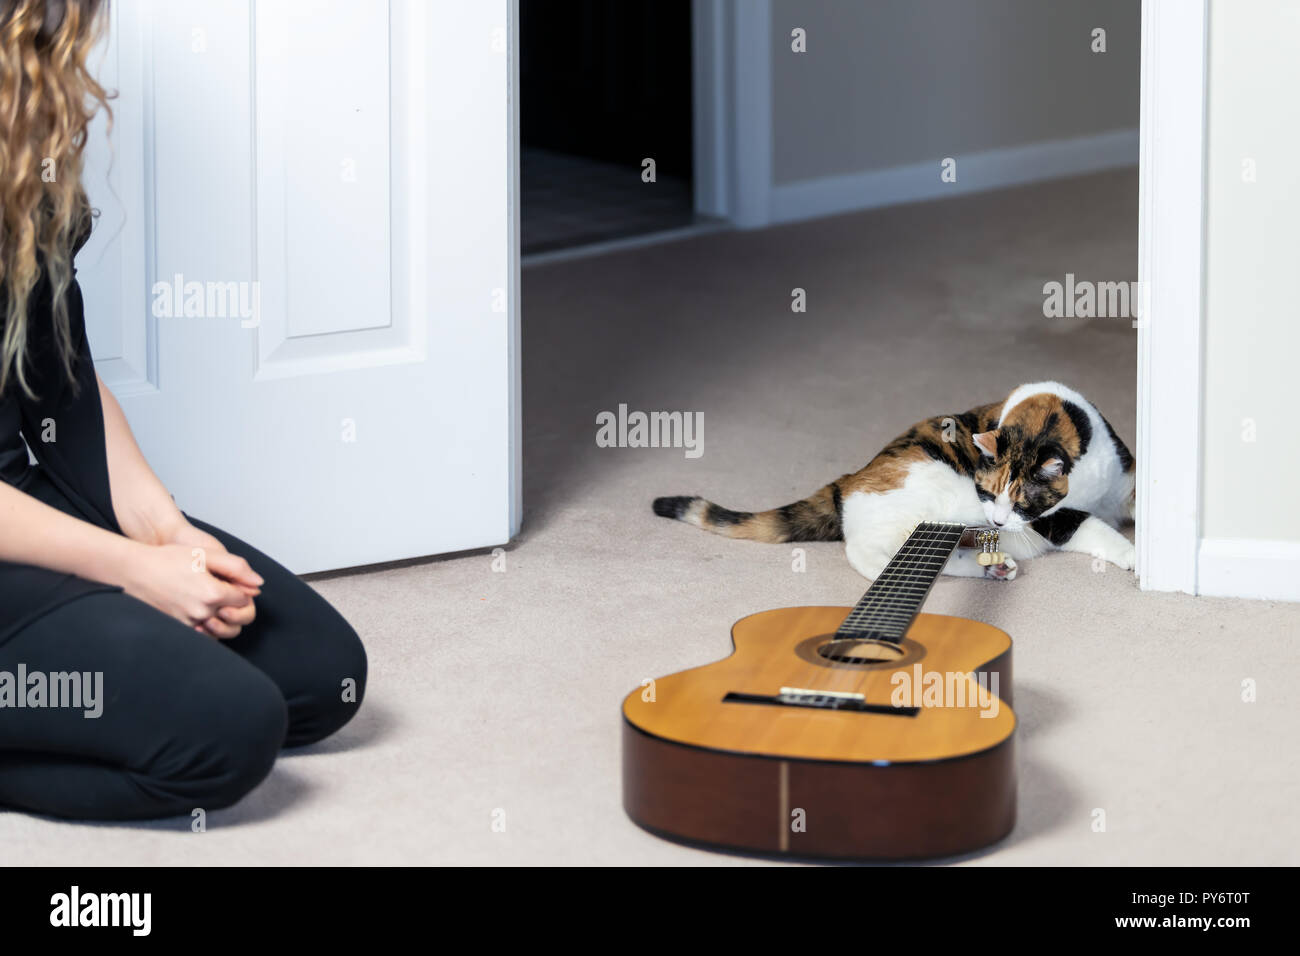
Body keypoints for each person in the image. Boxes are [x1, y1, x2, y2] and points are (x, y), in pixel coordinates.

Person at [0, 0, 366, 820]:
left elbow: (63, 383)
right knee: (227, 729)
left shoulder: (25, 130)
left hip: (24, 506)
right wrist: (131, 570)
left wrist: (166, 532)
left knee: (317, 673)